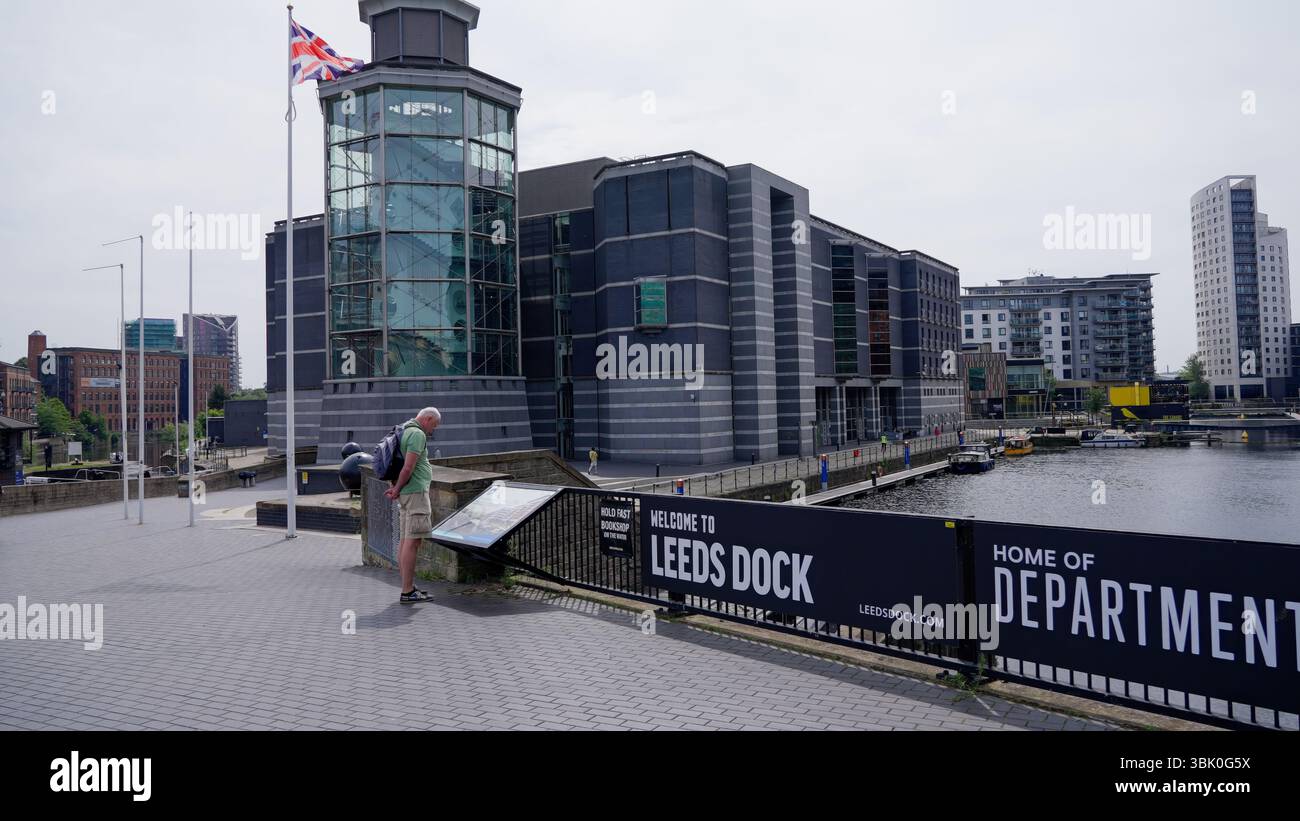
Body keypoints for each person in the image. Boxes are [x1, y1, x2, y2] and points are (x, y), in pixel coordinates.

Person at [384, 408, 441, 604]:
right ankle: (407, 591)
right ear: (428, 419)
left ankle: (407, 587)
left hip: (407, 493)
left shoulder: (403, 429)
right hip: (414, 493)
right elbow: (408, 467)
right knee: (413, 541)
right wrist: (397, 488)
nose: (432, 432)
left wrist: (396, 489)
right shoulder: (417, 434)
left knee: (405, 541)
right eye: (433, 426)